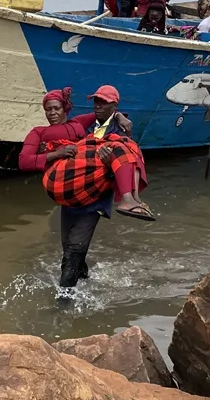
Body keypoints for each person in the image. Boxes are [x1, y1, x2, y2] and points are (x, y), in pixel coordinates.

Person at [18, 87, 148, 289]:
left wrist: (121, 117)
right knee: (69, 248)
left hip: (95, 195)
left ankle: (64, 301)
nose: (52, 113)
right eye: (48, 109)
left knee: (74, 248)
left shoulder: (79, 123)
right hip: (70, 193)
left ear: (65, 108)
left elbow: (109, 114)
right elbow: (24, 162)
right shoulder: (39, 132)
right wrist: (56, 153)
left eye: (56, 108)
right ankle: (84, 282)